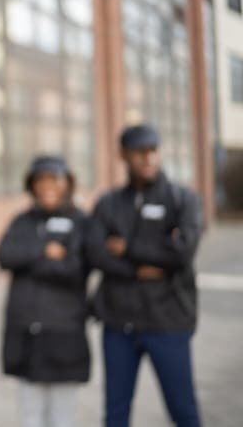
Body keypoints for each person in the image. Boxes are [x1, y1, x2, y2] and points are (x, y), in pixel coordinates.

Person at [87, 124, 203, 427]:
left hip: (168, 321)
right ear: (124, 156)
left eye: (153, 151)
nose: (148, 158)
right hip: (119, 323)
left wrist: (127, 248)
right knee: (115, 415)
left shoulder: (183, 199)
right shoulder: (108, 203)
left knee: (183, 410)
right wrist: (143, 268)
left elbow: (182, 253)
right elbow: (95, 252)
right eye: (140, 152)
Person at [0, 155, 91, 427]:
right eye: (41, 180)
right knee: (30, 416)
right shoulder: (22, 221)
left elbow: (74, 268)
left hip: (64, 334)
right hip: (27, 334)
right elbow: (4, 256)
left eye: (54, 179)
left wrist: (27, 262)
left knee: (62, 418)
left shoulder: (81, 222)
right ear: (32, 185)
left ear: (67, 183)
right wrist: (44, 251)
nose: (47, 186)